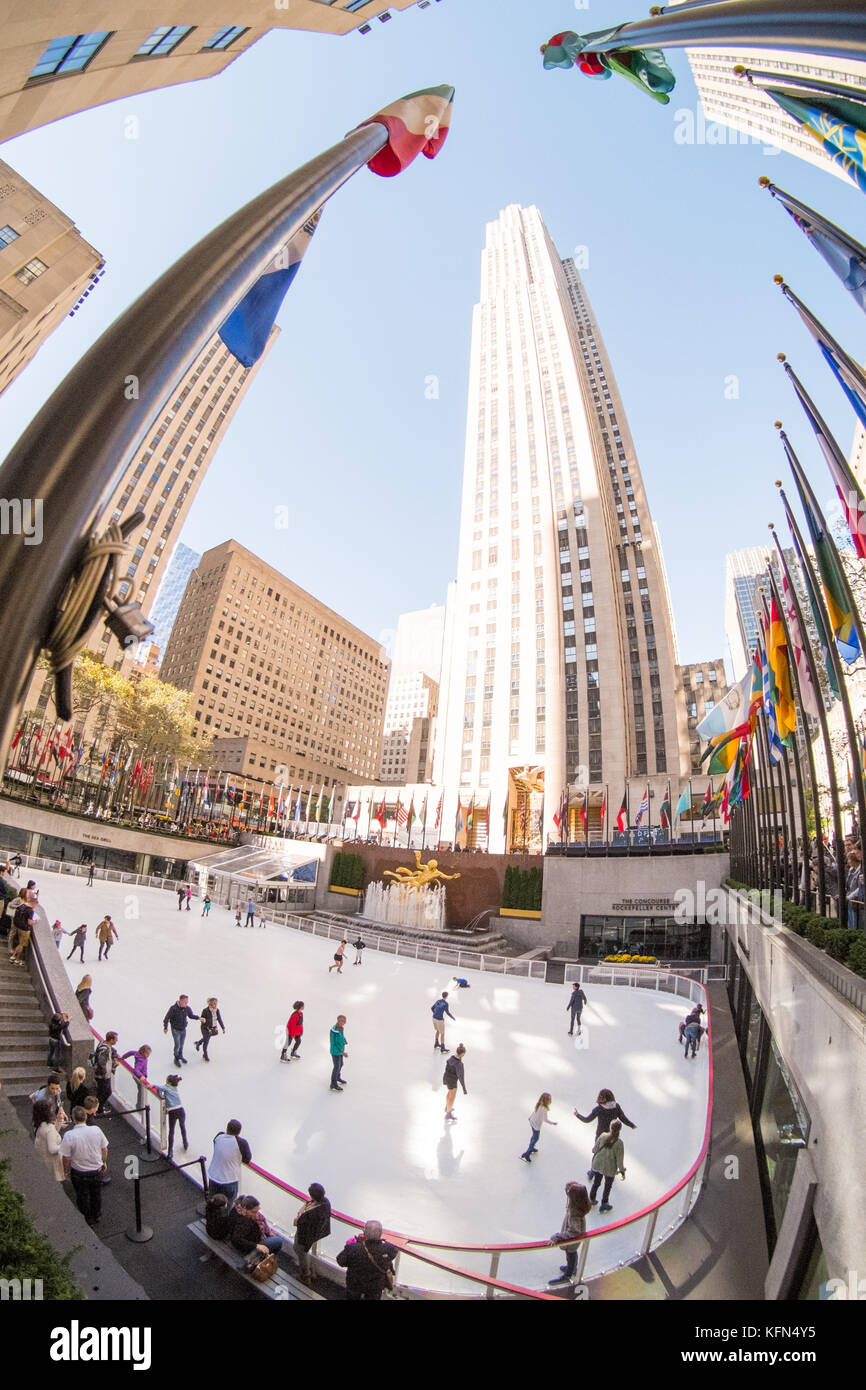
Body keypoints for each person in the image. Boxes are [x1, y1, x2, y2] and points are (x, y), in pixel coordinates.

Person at [60, 1106, 109, 1225]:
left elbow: (66, 1157)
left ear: (73, 1119)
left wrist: (66, 1172)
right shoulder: (96, 1130)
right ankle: (96, 1214)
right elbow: (104, 1149)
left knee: (82, 1196)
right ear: (86, 1117)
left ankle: (87, 1218)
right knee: (96, 1194)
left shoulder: (69, 1135)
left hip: (79, 1173)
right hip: (96, 1171)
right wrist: (103, 1162)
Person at [574, 1088, 636, 1175]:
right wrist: (631, 1125)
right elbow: (623, 1118)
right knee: (612, 1152)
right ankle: (611, 1170)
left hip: (600, 1135)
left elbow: (587, 1120)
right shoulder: (616, 1106)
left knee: (597, 1153)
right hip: (613, 1134)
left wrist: (577, 1115)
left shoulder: (598, 1109)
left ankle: (593, 1172)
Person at [336, 1221, 397, 1301]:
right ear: (381, 1233)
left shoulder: (353, 1248)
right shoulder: (389, 1249)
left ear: (364, 1232)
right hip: (375, 1287)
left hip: (354, 1284)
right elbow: (393, 1253)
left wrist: (357, 1244)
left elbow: (340, 1261)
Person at [548, 1182, 592, 1285]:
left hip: (572, 1241)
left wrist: (557, 1236)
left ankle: (568, 1275)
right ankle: (572, 1268)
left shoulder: (574, 1213)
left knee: (571, 1254)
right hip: (575, 1240)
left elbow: (574, 1232)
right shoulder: (581, 1205)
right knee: (572, 1253)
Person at [293, 1182, 331, 1285]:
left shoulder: (310, 1215)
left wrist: (298, 1217)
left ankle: (305, 1276)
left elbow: (298, 1223)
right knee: (303, 1252)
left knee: (300, 1251)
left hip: (305, 1236)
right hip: (317, 1233)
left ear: (312, 1195)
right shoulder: (326, 1203)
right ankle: (310, 1270)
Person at [208, 1120, 252, 1207]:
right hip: (230, 1180)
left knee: (212, 1202)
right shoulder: (241, 1143)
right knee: (228, 1205)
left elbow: (216, 1144)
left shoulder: (219, 1136)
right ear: (239, 1132)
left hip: (213, 1176)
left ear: (227, 1128)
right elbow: (247, 1159)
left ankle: (210, 1217)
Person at [228, 1194, 283, 1259]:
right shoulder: (245, 1221)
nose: (256, 1214)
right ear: (245, 1209)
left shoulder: (235, 1210)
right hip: (248, 1247)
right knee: (278, 1240)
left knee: (275, 1240)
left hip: (245, 1241)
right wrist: (256, 1246)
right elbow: (236, 1239)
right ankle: (262, 1259)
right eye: (253, 1212)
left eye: (257, 1211)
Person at [589, 1118, 626, 1213]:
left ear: (610, 1127)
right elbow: (619, 1161)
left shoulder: (603, 1135)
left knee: (596, 1183)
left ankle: (591, 1199)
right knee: (608, 1186)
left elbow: (594, 1149)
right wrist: (622, 1171)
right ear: (619, 1130)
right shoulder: (619, 1143)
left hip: (598, 1163)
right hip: (609, 1168)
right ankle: (604, 1203)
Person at [152, 1074, 188, 1160]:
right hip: (180, 1109)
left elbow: (158, 1087)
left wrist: (153, 1087)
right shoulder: (174, 1088)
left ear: (168, 1081)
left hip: (173, 1112)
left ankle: (170, 1152)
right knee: (182, 1127)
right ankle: (185, 1142)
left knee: (171, 1131)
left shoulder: (166, 1087)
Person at [163, 994, 200, 1065]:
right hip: (175, 1030)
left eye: (187, 1002)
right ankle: (176, 1058)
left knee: (182, 1044)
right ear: (180, 1001)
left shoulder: (187, 1008)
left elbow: (191, 1015)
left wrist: (199, 1018)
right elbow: (166, 1018)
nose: (186, 1004)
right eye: (185, 1002)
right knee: (177, 1044)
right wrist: (165, 1027)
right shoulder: (173, 1008)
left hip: (183, 1029)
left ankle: (180, 1055)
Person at [33, 1098, 65, 1181]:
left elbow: (52, 1135)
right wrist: (65, 1145)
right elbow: (53, 1149)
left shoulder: (38, 1124)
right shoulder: (49, 1128)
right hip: (52, 1162)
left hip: (43, 1159)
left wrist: (59, 1120)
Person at [521, 1093, 558, 1162]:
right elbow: (545, 1119)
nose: (551, 1101)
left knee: (534, 1137)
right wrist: (552, 1123)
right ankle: (527, 1153)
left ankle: (531, 1148)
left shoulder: (539, 1104)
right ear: (546, 1101)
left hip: (532, 1121)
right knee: (536, 1138)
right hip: (536, 1125)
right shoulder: (544, 1109)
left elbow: (535, 1112)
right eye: (550, 1099)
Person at [120, 1044, 152, 1111]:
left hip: (141, 1076)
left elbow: (131, 1052)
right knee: (141, 1091)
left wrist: (123, 1057)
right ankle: (139, 1106)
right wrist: (141, 1076)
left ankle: (140, 1105)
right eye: (147, 1054)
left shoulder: (137, 1054)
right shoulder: (141, 1060)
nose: (148, 1055)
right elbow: (136, 1070)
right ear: (143, 1053)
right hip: (139, 1078)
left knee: (141, 1091)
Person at [93, 1031, 118, 1113]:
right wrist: (105, 1073)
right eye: (115, 1039)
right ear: (111, 1040)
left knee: (104, 1092)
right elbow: (101, 1062)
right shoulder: (105, 1049)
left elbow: (112, 1052)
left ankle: (98, 1108)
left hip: (104, 1075)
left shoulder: (103, 1045)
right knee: (104, 1093)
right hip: (103, 1076)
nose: (116, 1041)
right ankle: (97, 1109)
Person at [194, 997, 225, 1062]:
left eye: (216, 1003)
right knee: (206, 1041)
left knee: (206, 1039)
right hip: (205, 1028)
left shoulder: (217, 1010)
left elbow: (219, 1019)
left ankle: (198, 1043)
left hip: (212, 1029)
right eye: (214, 1003)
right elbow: (202, 1019)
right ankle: (205, 1055)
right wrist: (204, 1021)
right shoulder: (205, 1010)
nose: (215, 1005)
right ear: (210, 1004)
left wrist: (223, 1027)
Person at [443, 1044, 467, 1122]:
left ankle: (448, 1107)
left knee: (449, 1093)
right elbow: (461, 1077)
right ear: (462, 1054)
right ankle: (448, 1113)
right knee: (452, 1096)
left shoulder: (451, 1058)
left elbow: (446, 1069)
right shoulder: (459, 1064)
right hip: (452, 1081)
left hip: (447, 1078)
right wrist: (464, 1089)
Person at [329, 1015, 348, 1092]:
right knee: (337, 1066)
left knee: (341, 1064)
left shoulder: (341, 1028)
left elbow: (342, 1036)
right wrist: (342, 1052)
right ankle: (333, 1084)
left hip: (340, 1051)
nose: (343, 1023)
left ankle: (337, 1077)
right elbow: (334, 1043)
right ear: (338, 1020)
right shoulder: (334, 1030)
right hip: (335, 1052)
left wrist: (344, 1040)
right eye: (341, 1021)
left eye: (344, 1021)